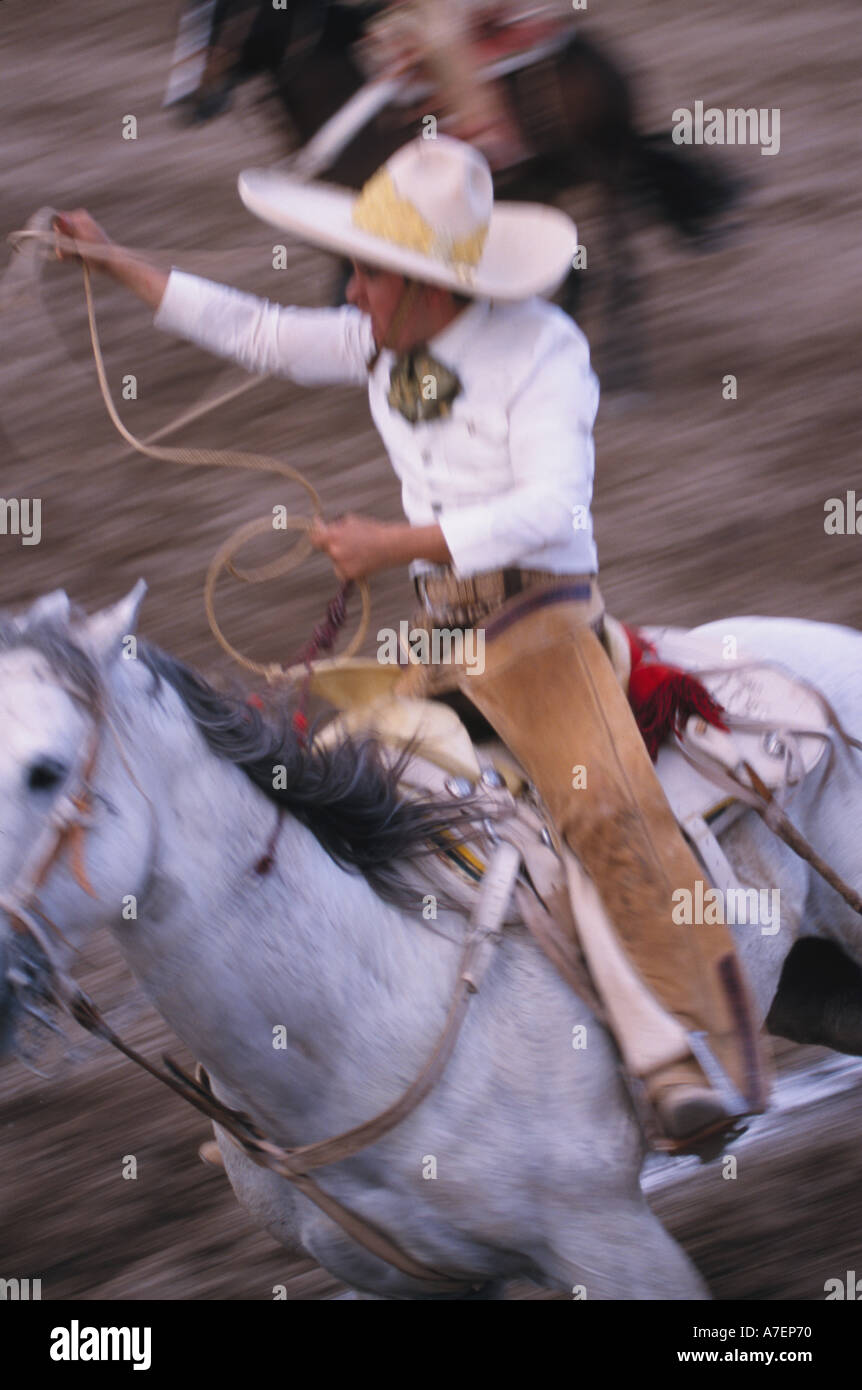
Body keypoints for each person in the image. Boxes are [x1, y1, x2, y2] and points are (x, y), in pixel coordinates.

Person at [53, 134, 767, 1149]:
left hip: (545, 623)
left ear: (432, 284)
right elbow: (259, 332)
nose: (350, 292)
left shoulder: (544, 353)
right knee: (307, 798)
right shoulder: (382, 341)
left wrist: (394, 542)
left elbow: (551, 501)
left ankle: (669, 1057)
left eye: (370, 274)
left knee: (597, 807)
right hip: (441, 635)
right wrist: (119, 263)